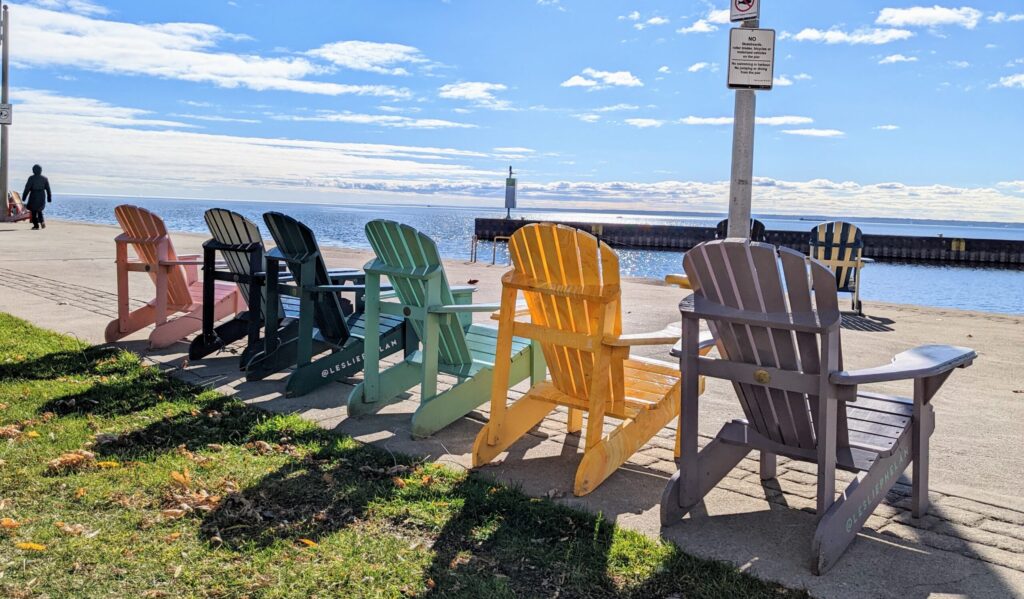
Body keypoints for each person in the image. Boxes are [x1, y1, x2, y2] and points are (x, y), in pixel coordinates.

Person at [23, 164, 52, 230]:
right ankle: (42, 221)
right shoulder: (44, 178)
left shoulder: (31, 178)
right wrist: (49, 197)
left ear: (33, 171)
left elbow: (27, 188)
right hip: (41, 195)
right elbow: (48, 189)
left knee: (33, 211)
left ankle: (36, 225)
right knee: (39, 210)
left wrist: (24, 197)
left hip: (34, 195)